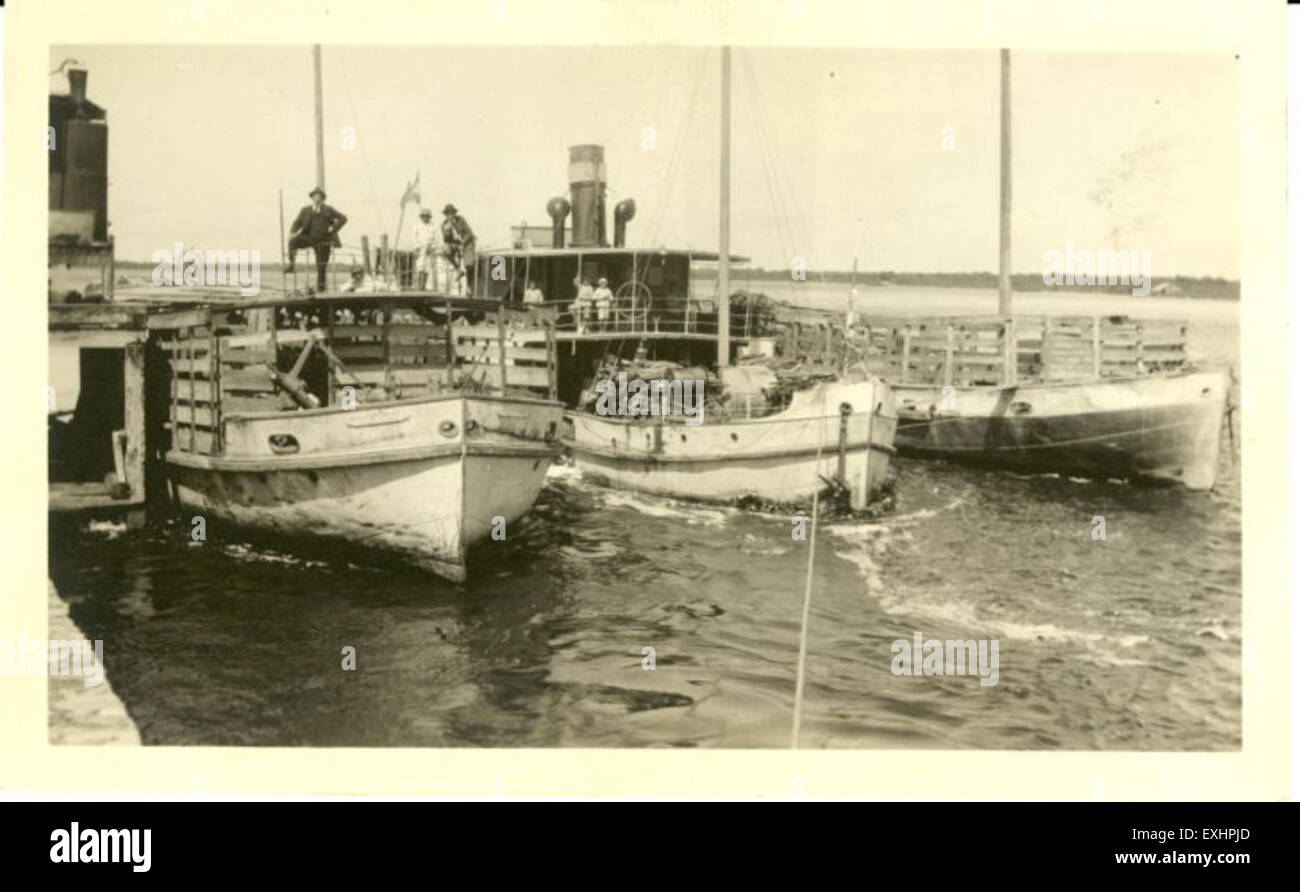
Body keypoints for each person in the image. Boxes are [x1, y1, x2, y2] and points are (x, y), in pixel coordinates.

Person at [287, 187, 348, 292]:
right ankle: (292, 265)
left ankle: (320, 288)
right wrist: (292, 233)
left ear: (322, 198)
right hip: (309, 238)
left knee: (321, 266)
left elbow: (343, 218)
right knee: (292, 242)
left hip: (323, 241)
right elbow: (296, 223)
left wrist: (333, 228)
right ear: (312, 198)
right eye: (314, 196)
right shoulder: (305, 210)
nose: (316, 198)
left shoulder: (328, 209)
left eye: (319, 196)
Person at [440, 204, 476, 293]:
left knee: (469, 264)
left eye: (451, 213)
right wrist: (447, 231)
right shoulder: (444, 224)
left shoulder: (461, 220)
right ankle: (458, 270)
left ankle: (469, 286)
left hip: (467, 242)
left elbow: (469, 234)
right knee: (445, 250)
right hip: (456, 244)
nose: (449, 215)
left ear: (454, 213)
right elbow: (446, 240)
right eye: (447, 214)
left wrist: (462, 245)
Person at [411, 207, 441, 290]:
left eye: (427, 216)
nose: (425, 218)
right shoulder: (417, 226)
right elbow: (414, 238)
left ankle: (423, 285)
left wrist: (432, 247)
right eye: (423, 216)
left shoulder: (433, 226)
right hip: (420, 248)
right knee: (420, 266)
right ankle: (418, 285)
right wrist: (416, 248)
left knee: (427, 268)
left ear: (429, 217)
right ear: (421, 217)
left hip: (429, 249)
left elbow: (436, 239)